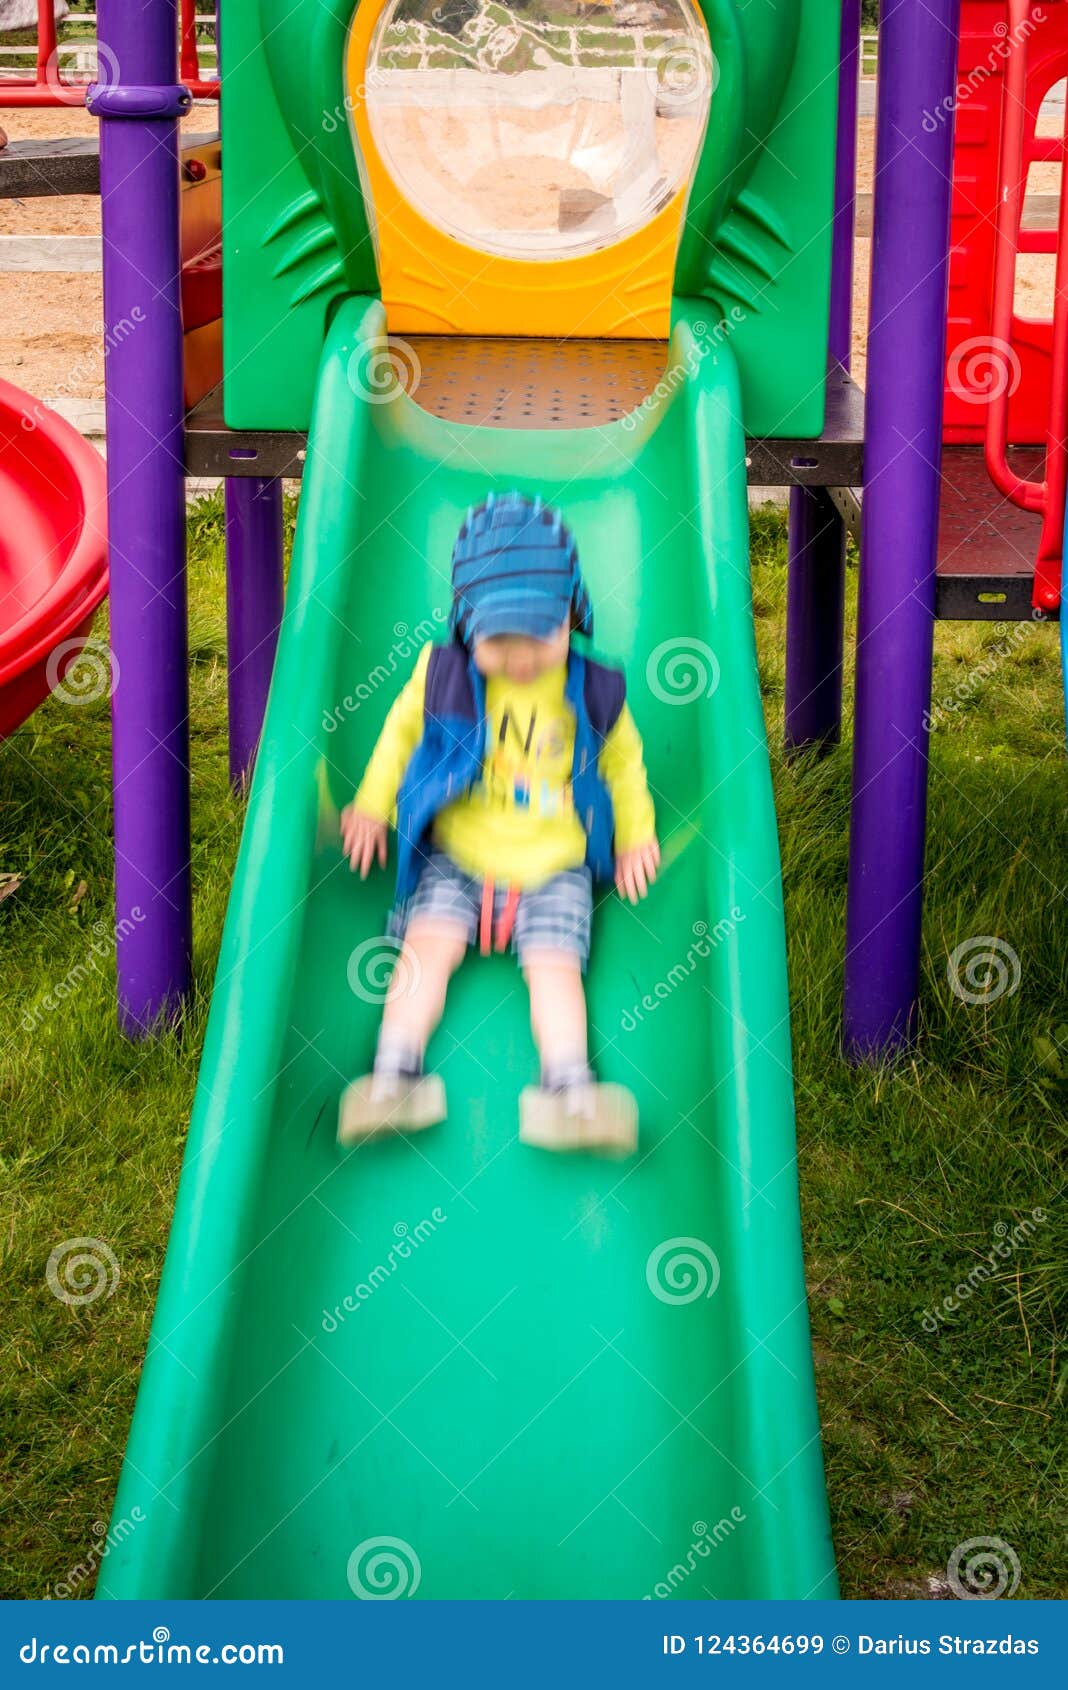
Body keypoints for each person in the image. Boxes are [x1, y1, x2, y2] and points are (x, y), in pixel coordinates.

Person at [338, 492, 658, 1153]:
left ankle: (568, 1088)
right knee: (425, 948)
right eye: (497, 642)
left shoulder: (592, 692)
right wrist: (371, 806)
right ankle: (394, 1072)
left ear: (571, 616)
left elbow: (625, 767)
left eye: (535, 638)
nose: (518, 660)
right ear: (465, 625)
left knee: (554, 965)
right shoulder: (443, 676)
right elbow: (400, 737)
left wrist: (634, 835)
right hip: (461, 854)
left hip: (553, 865)